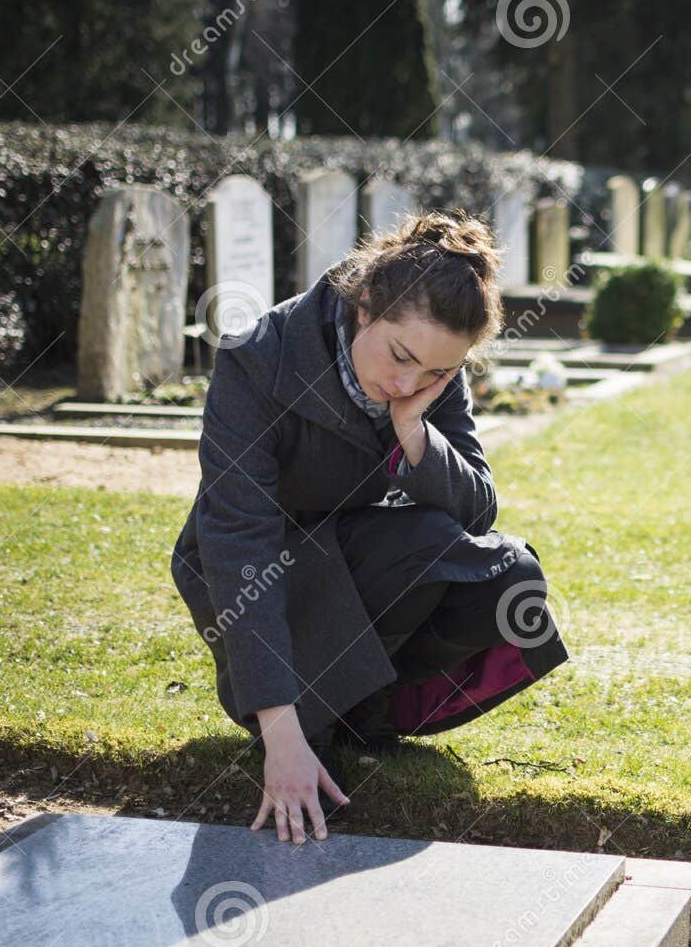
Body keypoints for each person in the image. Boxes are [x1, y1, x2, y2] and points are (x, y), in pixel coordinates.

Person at [170, 208, 569, 847]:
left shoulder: (432, 370)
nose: (408, 382)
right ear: (365, 305)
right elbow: (239, 542)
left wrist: (414, 429)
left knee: (508, 577)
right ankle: (306, 717)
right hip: (264, 573)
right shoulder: (257, 358)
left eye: (436, 373)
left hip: (361, 555)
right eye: (400, 357)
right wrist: (281, 734)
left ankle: (364, 714)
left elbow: (477, 508)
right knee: (311, 627)